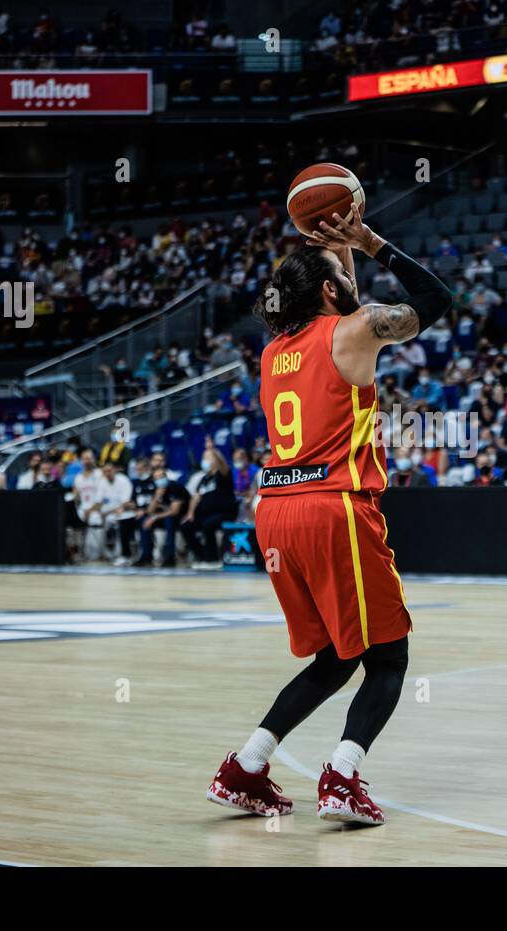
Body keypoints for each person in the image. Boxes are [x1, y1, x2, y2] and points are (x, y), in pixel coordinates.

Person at [207, 202, 450, 826]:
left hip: (277, 512)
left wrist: (334, 248)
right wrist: (369, 241)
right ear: (329, 288)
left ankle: (246, 768)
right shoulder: (357, 328)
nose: (353, 280)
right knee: (389, 658)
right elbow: (436, 298)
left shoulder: (273, 350)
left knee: (337, 658)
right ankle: (341, 779)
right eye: (342, 273)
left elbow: (332, 306)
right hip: (332, 507)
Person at [182, 436, 235, 569]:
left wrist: (213, 451)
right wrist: (190, 513)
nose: (204, 460)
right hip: (206, 515)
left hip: (224, 513)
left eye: (207, 458)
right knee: (186, 526)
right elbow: (196, 497)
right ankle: (202, 556)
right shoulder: (204, 479)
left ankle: (213, 559)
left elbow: (224, 465)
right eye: (204, 457)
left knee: (208, 525)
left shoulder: (223, 475)